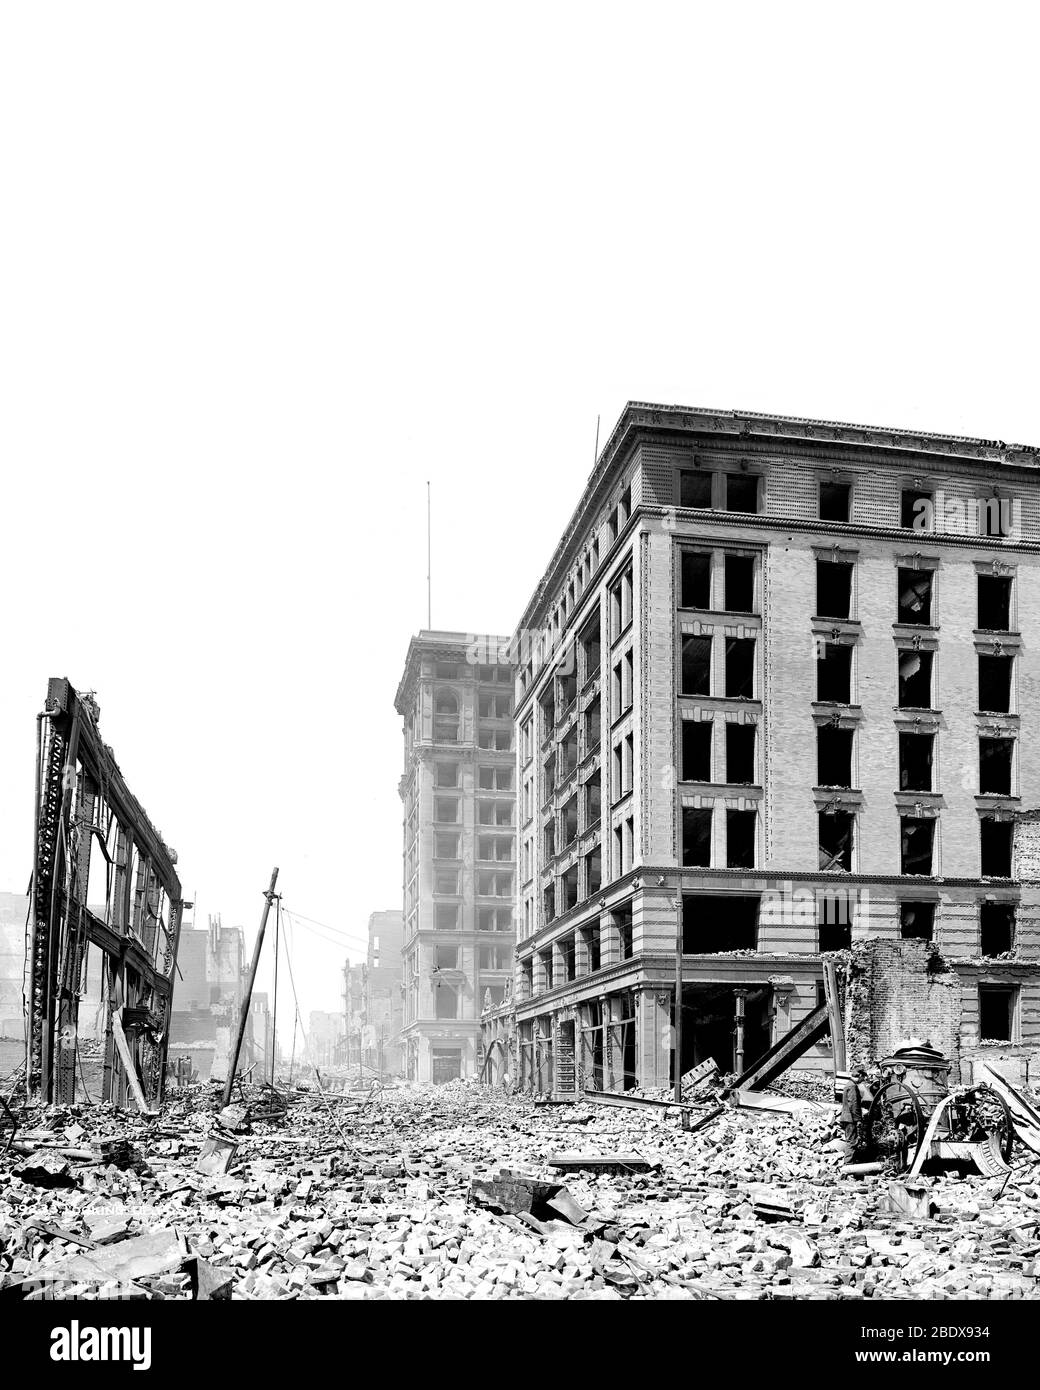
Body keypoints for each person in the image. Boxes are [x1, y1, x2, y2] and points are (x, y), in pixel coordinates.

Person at [840, 1064, 868, 1161]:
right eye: (863, 1077)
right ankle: (848, 1165)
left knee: (850, 1140)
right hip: (850, 1118)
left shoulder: (848, 1084)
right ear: (860, 1075)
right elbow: (854, 1104)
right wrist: (858, 1119)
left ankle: (849, 1165)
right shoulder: (852, 1086)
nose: (863, 1080)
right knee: (852, 1141)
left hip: (846, 1117)